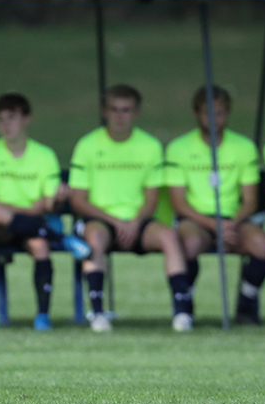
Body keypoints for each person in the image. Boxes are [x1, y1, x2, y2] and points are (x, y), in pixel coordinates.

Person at [69, 84, 188, 333]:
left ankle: (181, 313)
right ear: (104, 111)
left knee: (168, 236)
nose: (120, 116)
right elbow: (78, 201)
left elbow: (151, 199)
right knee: (95, 237)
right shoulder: (87, 145)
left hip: (138, 222)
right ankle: (98, 313)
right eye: (114, 110)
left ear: (136, 112)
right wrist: (115, 221)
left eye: (126, 110)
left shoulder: (150, 146)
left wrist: (133, 222)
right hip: (102, 220)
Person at [0, 93, 91, 331]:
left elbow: (48, 204)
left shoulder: (44, 155)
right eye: (1, 119)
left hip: (33, 226)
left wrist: (56, 200)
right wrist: (29, 208)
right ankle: (61, 238)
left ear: (26, 119)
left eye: (12, 117)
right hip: (1, 230)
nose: (6, 125)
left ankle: (42, 316)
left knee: (39, 245)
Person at [166, 85, 265, 330]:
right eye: (207, 113)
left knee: (263, 245)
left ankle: (247, 301)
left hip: (235, 219)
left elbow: (250, 201)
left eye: (220, 113)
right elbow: (179, 204)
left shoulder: (244, 147)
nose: (214, 119)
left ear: (228, 113)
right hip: (196, 219)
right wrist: (214, 225)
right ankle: (185, 304)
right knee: (188, 243)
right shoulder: (178, 148)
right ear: (196, 113)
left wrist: (231, 223)